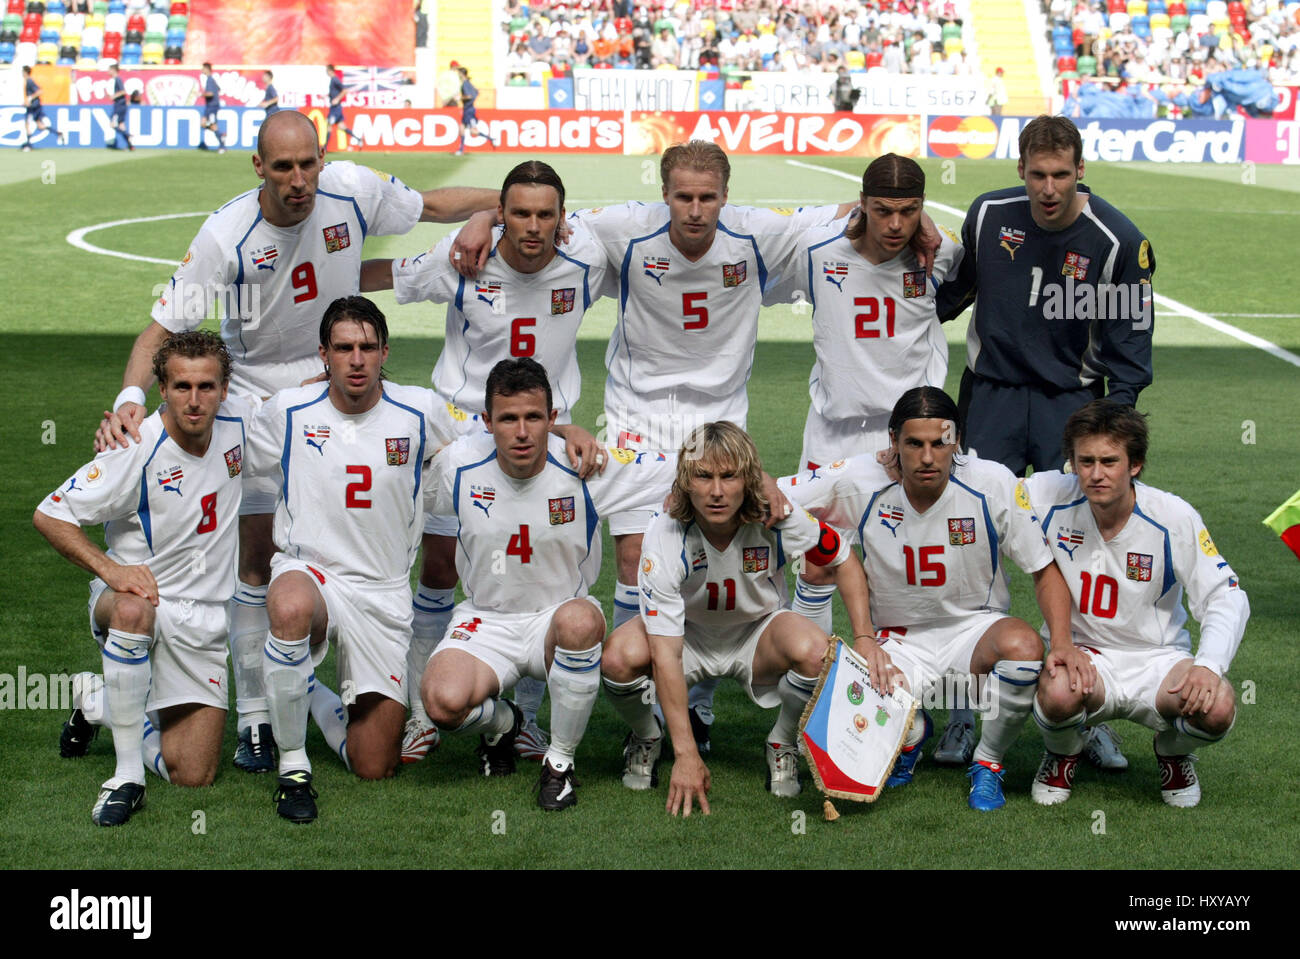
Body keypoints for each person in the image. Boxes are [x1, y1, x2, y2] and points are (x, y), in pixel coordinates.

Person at [97, 109, 502, 776]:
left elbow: (430, 205)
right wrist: (128, 402)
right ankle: (256, 717)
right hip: (258, 393)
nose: (299, 179)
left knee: (352, 517)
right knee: (256, 550)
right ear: (259, 168)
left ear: (323, 157)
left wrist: (497, 204)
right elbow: (159, 331)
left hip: (340, 373)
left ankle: (315, 685)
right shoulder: (227, 235)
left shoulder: (352, 189)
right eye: (282, 166)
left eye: (307, 162)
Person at [452, 141, 865, 752]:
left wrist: (915, 221)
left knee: (707, 560)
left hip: (717, 426)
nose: (695, 210)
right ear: (663, 194)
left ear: (726, 197)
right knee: (634, 559)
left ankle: (695, 708)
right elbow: (537, 219)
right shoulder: (626, 229)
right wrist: (482, 215)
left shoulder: (757, 234)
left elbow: (855, 213)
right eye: (682, 197)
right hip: (634, 419)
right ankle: (638, 703)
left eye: (707, 198)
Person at [361, 160, 607, 766]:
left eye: (545, 214)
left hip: (549, 432)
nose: (532, 226)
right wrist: (305, 282)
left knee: (542, 571)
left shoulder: (587, 262)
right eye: (517, 212)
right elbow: (392, 275)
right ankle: (425, 714)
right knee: (439, 568)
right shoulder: (463, 256)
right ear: (502, 213)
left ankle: (522, 715)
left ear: (562, 218)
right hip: (465, 431)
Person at [934, 113, 1155, 768]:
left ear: (1081, 170)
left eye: (1062, 175)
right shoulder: (987, 215)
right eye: (1038, 174)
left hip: (1070, 406)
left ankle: (1088, 704)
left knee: (1081, 553)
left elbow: (1130, 361)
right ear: (1020, 170)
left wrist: (1107, 430)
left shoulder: (1117, 242)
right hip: (992, 396)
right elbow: (950, 296)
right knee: (972, 548)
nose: (1049, 188)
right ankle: (961, 710)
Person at [781, 386, 1081, 811]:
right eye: (913, 444)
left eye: (940, 443)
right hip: (896, 643)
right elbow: (774, 494)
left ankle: (988, 763)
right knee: (850, 718)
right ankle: (911, 735)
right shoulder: (858, 480)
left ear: (956, 440)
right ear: (893, 443)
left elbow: (1043, 568)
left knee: (1025, 647)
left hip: (974, 632)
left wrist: (1063, 643)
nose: (927, 457)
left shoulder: (991, 482)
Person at [419, 358, 677, 811]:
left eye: (535, 418)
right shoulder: (457, 465)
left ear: (553, 419)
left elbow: (679, 468)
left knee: (579, 620)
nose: (522, 432)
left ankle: (559, 764)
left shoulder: (588, 466)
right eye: (508, 419)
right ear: (486, 423)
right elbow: (390, 449)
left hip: (557, 621)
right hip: (487, 622)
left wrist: (761, 484)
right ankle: (505, 724)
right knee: (441, 703)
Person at [244, 297, 460, 823]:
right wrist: (140, 423)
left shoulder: (421, 411)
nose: (356, 359)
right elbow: (214, 440)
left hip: (383, 593)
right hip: (311, 571)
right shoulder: (287, 412)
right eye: (344, 348)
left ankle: (308, 691)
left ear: (385, 351)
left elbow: (491, 440)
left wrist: (565, 432)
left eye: (367, 347)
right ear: (324, 354)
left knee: (375, 765)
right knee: (291, 608)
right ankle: (294, 767)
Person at [602, 422, 872, 816]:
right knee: (616, 659)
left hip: (756, 635)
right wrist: (687, 755)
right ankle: (647, 736)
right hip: (687, 637)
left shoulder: (778, 517)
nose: (716, 491)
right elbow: (664, 653)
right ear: (684, 482)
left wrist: (864, 637)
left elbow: (842, 558)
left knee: (818, 652)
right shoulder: (663, 534)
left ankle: (782, 741)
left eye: (729, 476)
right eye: (703, 476)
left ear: (749, 480)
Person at [35, 332, 248, 825]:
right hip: (136, 603)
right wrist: (111, 570)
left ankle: (97, 700)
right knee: (133, 607)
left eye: (206, 387)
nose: (194, 401)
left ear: (224, 388)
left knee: (192, 774)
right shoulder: (132, 448)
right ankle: (126, 776)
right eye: (181, 387)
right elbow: (50, 513)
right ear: (161, 389)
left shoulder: (242, 423)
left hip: (207, 619)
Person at [763, 153, 963, 675]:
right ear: (863, 204)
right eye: (882, 210)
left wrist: (930, 227)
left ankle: (925, 690)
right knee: (817, 562)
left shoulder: (941, 255)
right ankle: (816, 683)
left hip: (912, 437)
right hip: (833, 432)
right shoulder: (815, 251)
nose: (896, 225)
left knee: (913, 566)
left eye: (909, 211)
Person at [1025, 401, 1247, 808]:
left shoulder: (1173, 515)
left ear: (1135, 465)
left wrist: (1208, 664)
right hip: (1085, 656)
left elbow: (1226, 593)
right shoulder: (1046, 495)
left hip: (1158, 659)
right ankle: (1062, 753)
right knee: (1057, 694)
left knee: (1217, 707)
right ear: (1070, 462)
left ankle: (1174, 752)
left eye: (1109, 461)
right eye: (1084, 461)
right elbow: (979, 488)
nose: (1095, 474)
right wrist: (895, 461)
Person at [453, 65, 496, 155]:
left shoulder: (465, 84)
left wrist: (460, 97)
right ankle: (461, 150)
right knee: (461, 129)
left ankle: (491, 139)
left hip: (469, 110)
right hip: (467, 109)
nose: (458, 75)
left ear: (462, 74)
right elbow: (477, 92)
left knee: (473, 131)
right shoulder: (468, 82)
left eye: (459, 74)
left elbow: (469, 96)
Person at [22, 66, 65, 151]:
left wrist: (30, 99)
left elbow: (40, 91)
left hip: (33, 106)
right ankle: (58, 133)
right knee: (40, 126)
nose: (22, 73)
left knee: (27, 123)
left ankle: (28, 145)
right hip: (34, 105)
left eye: (22, 72)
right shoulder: (28, 81)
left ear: (26, 72)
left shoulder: (30, 81)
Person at [326, 64, 362, 150]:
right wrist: (327, 96)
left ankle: (325, 148)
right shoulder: (332, 80)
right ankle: (358, 139)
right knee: (341, 127)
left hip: (336, 108)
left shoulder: (335, 80)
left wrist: (337, 99)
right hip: (335, 107)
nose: (326, 73)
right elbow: (334, 92)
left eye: (327, 71)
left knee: (329, 125)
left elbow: (345, 90)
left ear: (330, 71)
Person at [198, 62, 227, 153]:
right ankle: (221, 135)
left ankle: (222, 144)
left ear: (207, 69)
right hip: (210, 106)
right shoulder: (211, 80)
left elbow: (211, 93)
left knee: (213, 125)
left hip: (212, 106)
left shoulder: (210, 80)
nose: (202, 70)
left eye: (203, 68)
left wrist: (201, 94)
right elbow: (218, 89)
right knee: (203, 124)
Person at [107, 63, 134, 152]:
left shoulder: (118, 79)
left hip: (119, 105)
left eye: (109, 70)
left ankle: (127, 134)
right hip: (121, 105)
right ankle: (130, 145)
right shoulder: (116, 79)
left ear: (113, 70)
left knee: (113, 124)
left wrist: (113, 96)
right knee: (121, 124)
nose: (108, 72)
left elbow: (123, 92)